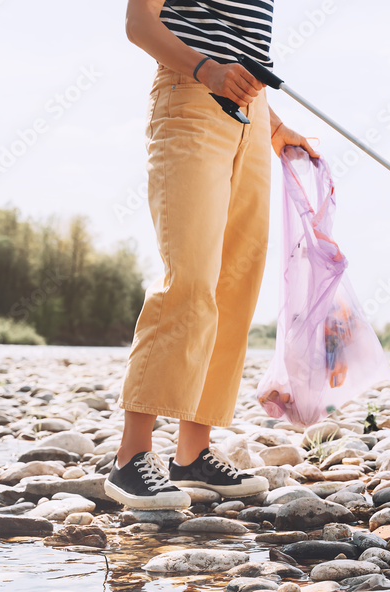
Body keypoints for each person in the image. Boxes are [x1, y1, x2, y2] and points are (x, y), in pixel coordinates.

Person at [104, 0, 318, 510]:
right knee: (191, 277)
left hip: (251, 115)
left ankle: (192, 453)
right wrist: (206, 69)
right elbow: (139, 22)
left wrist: (272, 125)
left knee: (234, 286)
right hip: (190, 97)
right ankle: (131, 457)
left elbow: (237, 46)